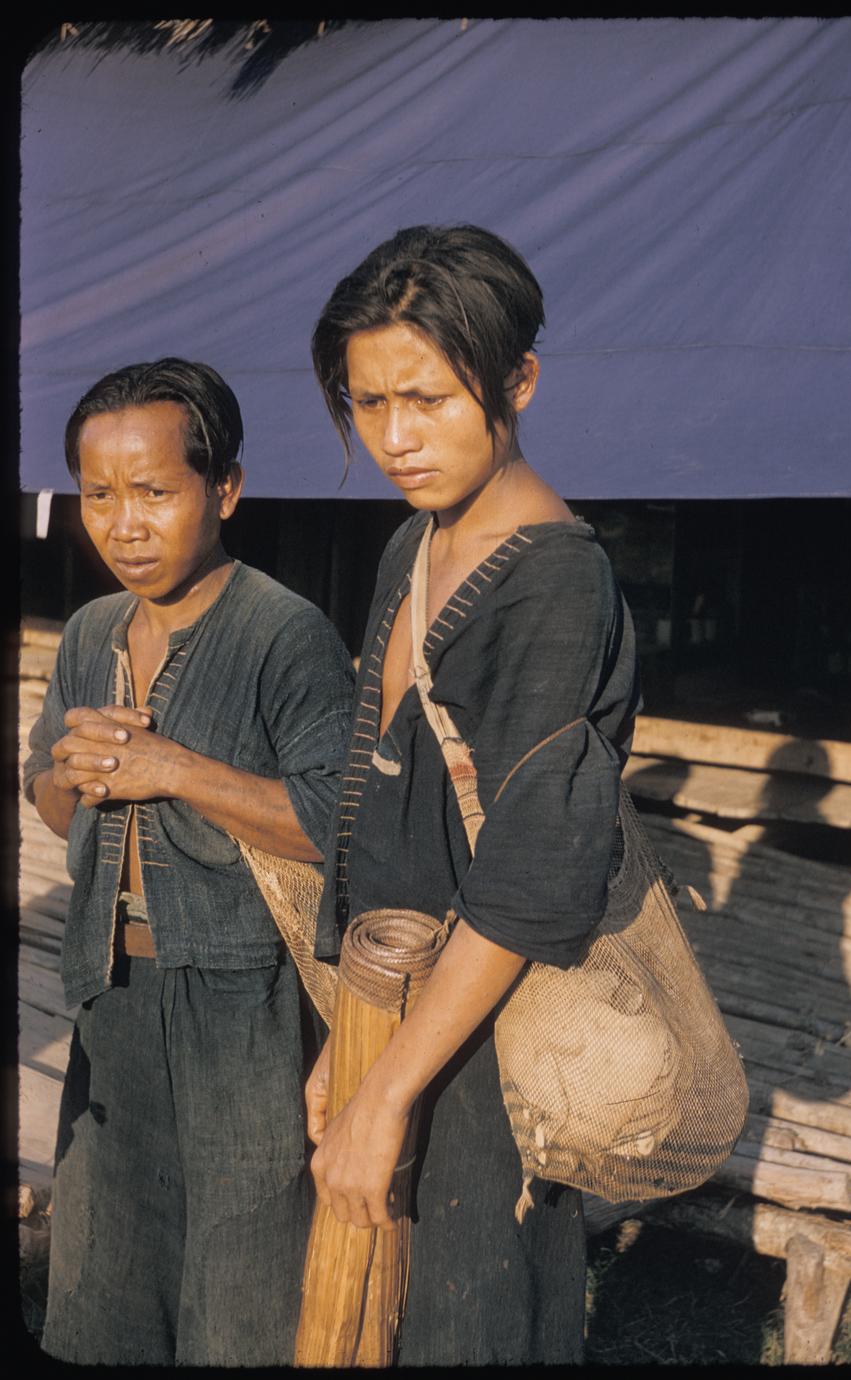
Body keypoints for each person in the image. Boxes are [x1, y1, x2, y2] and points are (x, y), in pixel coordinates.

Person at [307, 225, 641, 1365]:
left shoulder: (554, 577)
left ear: (517, 383)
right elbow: (383, 820)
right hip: (398, 1021)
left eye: (429, 400)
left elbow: (528, 877)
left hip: (489, 1047)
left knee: (473, 1318)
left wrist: (385, 1095)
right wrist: (348, 1045)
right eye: (367, 404)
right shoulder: (415, 546)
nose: (396, 438)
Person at [23, 358, 355, 1365]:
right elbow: (44, 796)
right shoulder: (90, 634)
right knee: (109, 1271)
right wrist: (74, 774)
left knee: (242, 1279)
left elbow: (336, 828)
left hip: (245, 1006)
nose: (123, 523)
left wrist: (172, 768)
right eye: (99, 494)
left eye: (155, 491)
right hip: (112, 989)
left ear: (225, 490)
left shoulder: (283, 636)